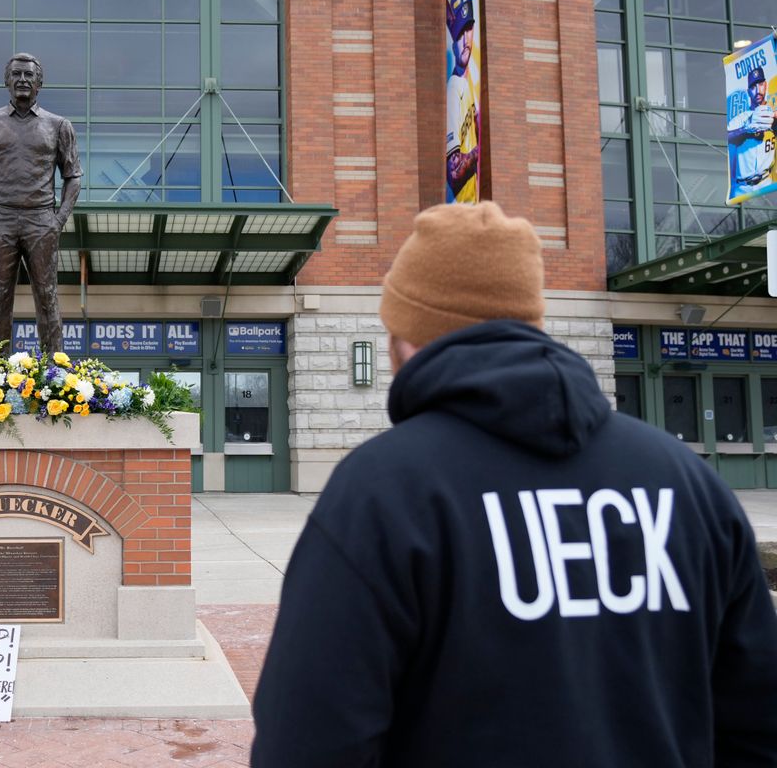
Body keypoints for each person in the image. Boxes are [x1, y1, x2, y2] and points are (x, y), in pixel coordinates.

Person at [251, 201, 777, 767]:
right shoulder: (687, 484)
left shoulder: (383, 493)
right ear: (531, 320)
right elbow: (758, 727)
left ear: (404, 332)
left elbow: (309, 743)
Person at [0, 53, 82, 359]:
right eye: (16, 74)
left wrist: (57, 221)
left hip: (41, 218)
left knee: (47, 295)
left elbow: (73, 178)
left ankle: (55, 371)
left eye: (29, 75)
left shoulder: (58, 126)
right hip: (0, 217)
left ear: (39, 83)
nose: (22, 80)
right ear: (6, 81)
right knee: (0, 296)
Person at [445, 0, 479, 203]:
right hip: (460, 212)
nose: (466, 41)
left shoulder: (468, 84)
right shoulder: (453, 87)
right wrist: (479, 151)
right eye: (459, 36)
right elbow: (455, 172)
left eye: (468, 30)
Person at [727, 66, 776, 198]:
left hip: (766, 182)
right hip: (742, 187)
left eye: (760, 84)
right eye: (753, 87)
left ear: (765, 85)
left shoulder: (772, 114)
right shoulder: (741, 119)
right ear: (748, 92)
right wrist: (746, 129)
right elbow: (727, 136)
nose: (757, 91)